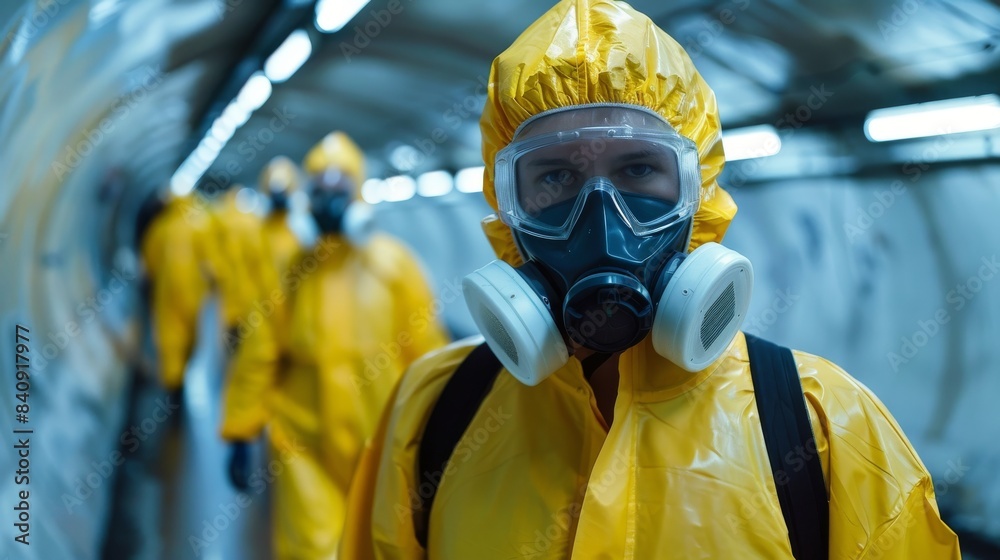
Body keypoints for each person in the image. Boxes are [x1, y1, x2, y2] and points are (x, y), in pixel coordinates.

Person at [338, 1, 962, 558]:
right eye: (554, 178)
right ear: (507, 208)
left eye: (639, 168)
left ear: (699, 192)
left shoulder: (821, 425)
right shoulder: (438, 409)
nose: (601, 218)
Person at [219, 131, 450, 559]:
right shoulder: (291, 270)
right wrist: (241, 429)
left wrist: (440, 426)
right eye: (319, 189)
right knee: (311, 548)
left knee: (383, 544)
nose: (329, 200)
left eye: (340, 188)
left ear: (358, 190)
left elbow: (427, 352)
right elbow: (260, 351)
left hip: (381, 442)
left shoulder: (394, 266)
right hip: (303, 444)